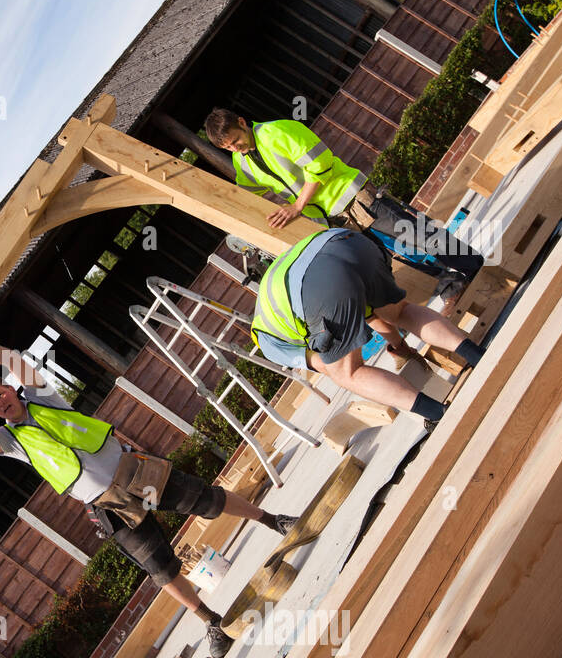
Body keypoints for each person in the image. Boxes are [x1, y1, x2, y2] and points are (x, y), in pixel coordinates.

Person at [0, 340, 297, 658]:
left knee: (207, 500)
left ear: (11, 390)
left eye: (0, 394)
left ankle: (274, 520)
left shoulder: (43, 397)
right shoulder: (9, 441)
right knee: (159, 567)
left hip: (134, 472)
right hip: (108, 504)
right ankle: (212, 623)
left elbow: (16, 361)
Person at [203, 109, 483, 292]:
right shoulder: (243, 162)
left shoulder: (278, 132)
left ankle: (475, 267)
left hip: (353, 197)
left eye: (236, 141)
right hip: (333, 217)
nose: (235, 149)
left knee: (416, 233)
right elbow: (246, 194)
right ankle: (454, 283)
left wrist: (298, 206)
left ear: (242, 122)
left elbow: (320, 165)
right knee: (395, 256)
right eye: (228, 148)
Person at [250, 227, 485, 424]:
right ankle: (478, 356)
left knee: (347, 373)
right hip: (346, 241)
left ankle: (436, 414)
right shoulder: (273, 298)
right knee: (399, 311)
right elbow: (370, 313)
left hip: (318, 287)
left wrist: (351, 366)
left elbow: (327, 365)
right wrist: (398, 344)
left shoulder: (269, 344)